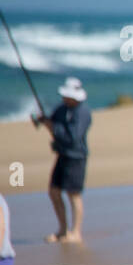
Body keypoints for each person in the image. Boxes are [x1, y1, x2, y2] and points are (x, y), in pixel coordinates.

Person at [34, 76, 92, 243]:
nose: (64, 98)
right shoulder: (62, 109)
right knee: (54, 191)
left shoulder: (83, 112)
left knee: (74, 194)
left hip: (76, 157)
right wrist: (43, 121)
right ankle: (62, 230)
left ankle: (76, 232)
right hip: (62, 155)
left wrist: (54, 127)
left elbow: (73, 137)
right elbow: (52, 122)